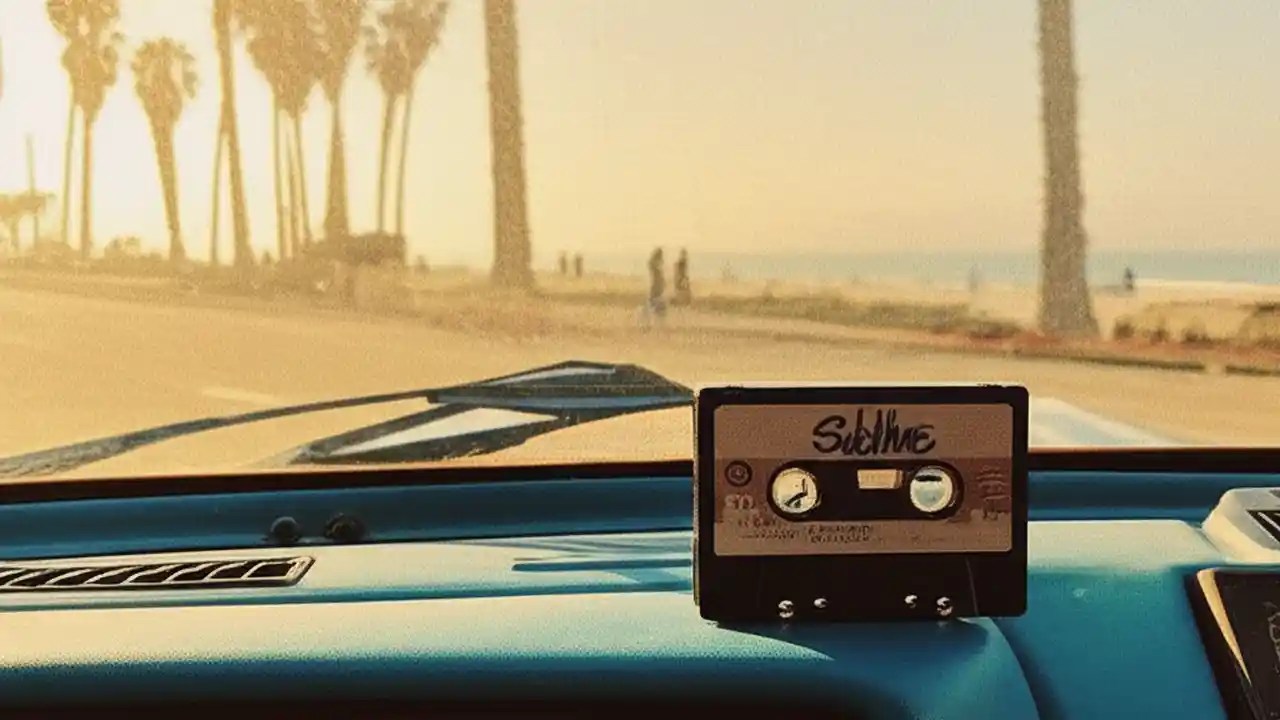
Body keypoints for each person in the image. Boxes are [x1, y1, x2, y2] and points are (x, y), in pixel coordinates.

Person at [646, 247, 667, 322]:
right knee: (656, 305)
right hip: (656, 290)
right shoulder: (655, 268)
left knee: (656, 306)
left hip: (657, 290)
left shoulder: (656, 268)